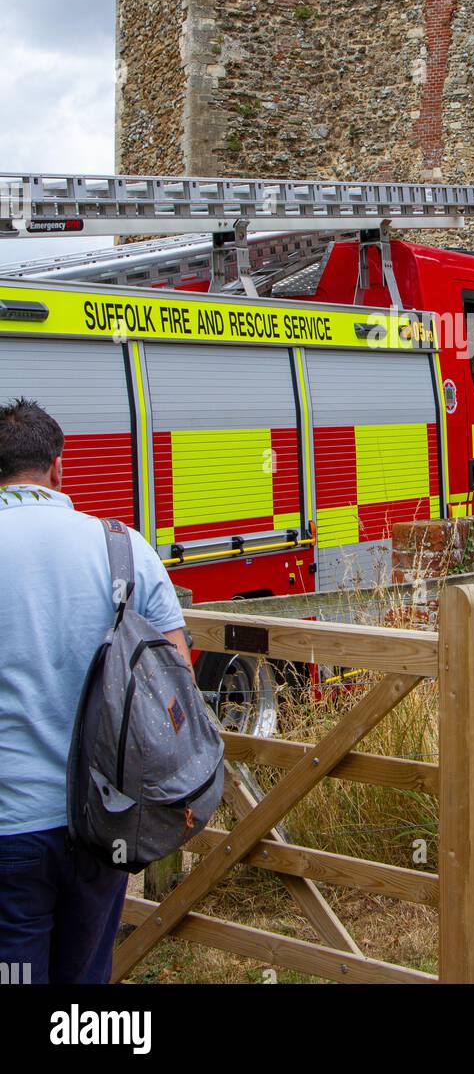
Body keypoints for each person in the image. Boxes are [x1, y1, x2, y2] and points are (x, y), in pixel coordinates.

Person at [0, 398, 191, 985]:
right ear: (58, 467)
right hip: (103, 818)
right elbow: (176, 676)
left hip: (10, 830)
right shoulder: (122, 546)